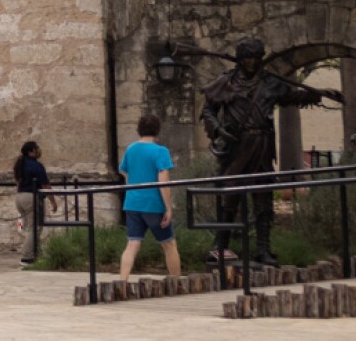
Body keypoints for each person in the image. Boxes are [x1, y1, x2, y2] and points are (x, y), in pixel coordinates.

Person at [200, 37, 340, 265]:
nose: (251, 63)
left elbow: (294, 95)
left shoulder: (269, 83)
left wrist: (320, 93)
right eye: (247, 58)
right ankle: (220, 248)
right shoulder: (226, 82)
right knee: (230, 197)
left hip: (262, 145)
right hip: (237, 146)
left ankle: (263, 249)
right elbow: (208, 109)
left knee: (263, 198)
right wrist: (217, 130)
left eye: (255, 58)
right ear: (240, 59)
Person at [118, 112, 180, 279]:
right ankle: (176, 281)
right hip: (153, 204)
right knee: (169, 244)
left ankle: (122, 282)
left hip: (132, 203)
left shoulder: (131, 149)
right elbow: (163, 180)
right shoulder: (161, 151)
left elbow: (124, 170)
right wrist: (168, 208)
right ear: (157, 130)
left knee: (132, 244)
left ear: (139, 129)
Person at [12, 141, 51, 265]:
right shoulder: (36, 166)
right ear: (31, 151)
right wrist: (53, 201)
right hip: (31, 197)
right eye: (36, 149)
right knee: (35, 228)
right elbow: (45, 185)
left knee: (30, 228)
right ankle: (27, 256)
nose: (38, 151)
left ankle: (36, 253)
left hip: (20, 197)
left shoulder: (20, 164)